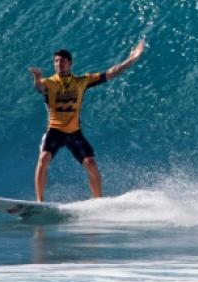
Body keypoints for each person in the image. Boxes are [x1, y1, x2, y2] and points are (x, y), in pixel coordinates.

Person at [28, 39, 145, 202]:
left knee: (90, 163)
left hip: (74, 132)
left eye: (62, 61)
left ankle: (98, 201)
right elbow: (39, 88)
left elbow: (111, 73)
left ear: (69, 63)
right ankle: (40, 201)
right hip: (55, 130)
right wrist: (36, 78)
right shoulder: (49, 83)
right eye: (55, 61)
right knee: (44, 158)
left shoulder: (82, 81)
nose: (58, 64)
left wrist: (132, 59)